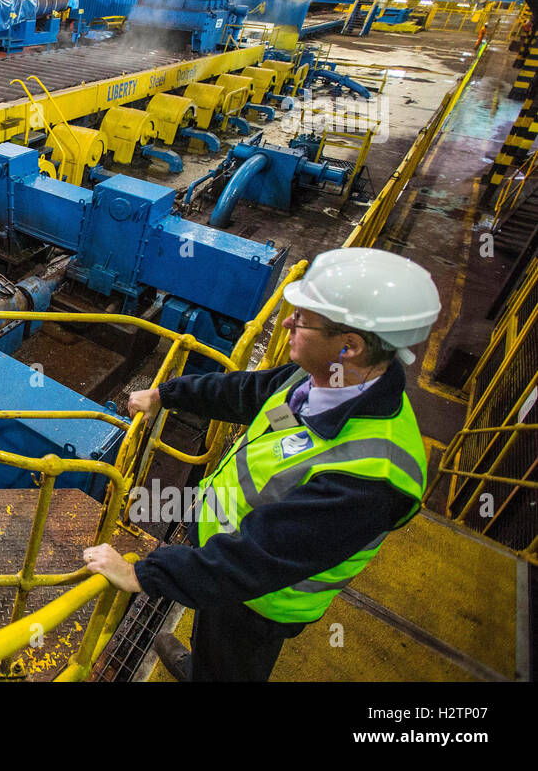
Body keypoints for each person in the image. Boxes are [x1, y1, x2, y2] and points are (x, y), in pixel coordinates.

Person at [83, 247, 442, 681]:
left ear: (349, 346)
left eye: (303, 319)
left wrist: (141, 574)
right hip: (222, 559)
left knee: (232, 665)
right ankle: (201, 666)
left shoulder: (370, 477)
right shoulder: (322, 380)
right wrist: (167, 395)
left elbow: (256, 558)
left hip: (259, 601)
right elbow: (245, 393)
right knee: (211, 641)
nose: (287, 323)